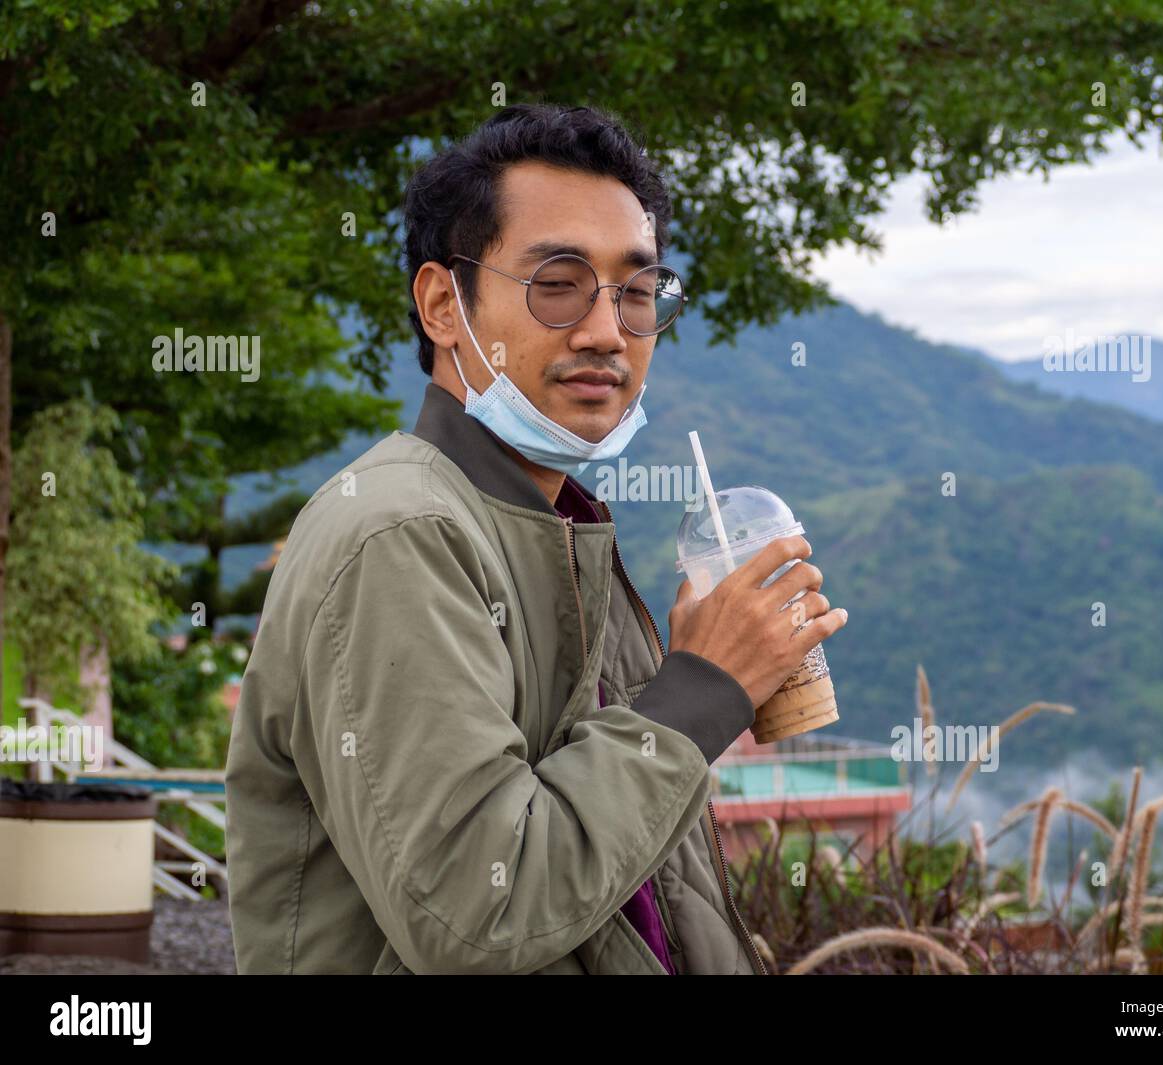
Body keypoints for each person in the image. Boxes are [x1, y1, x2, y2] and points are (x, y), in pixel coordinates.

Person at [224, 102, 848, 974]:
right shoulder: (400, 534)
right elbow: (480, 914)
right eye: (557, 282)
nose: (606, 331)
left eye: (637, 292)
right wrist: (701, 690)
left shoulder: (564, 529)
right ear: (445, 304)